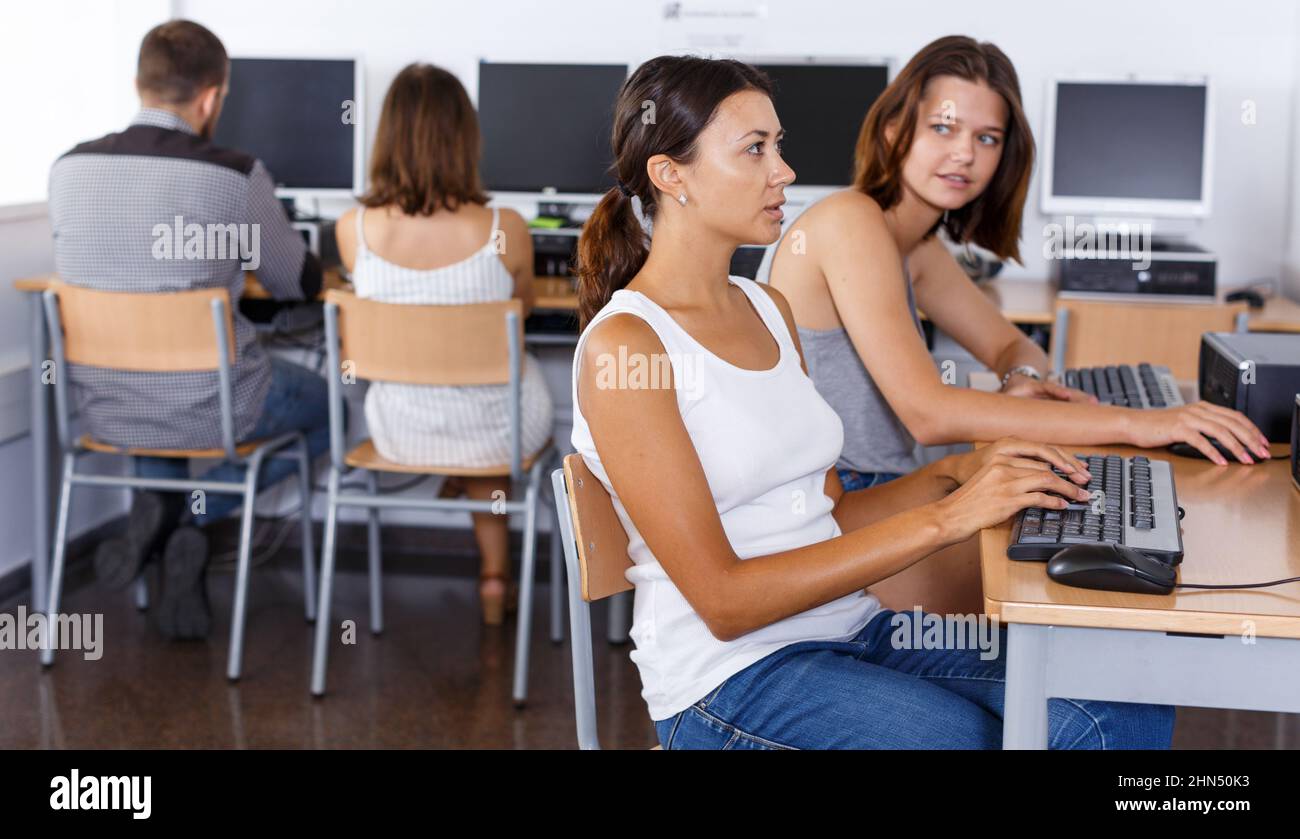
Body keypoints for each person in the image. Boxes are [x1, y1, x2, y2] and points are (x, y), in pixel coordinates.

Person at [570, 54, 1174, 748]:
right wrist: (947, 516)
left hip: (845, 625)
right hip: (729, 678)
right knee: (971, 738)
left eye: (780, 145)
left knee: (1117, 692)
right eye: (755, 149)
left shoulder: (766, 308)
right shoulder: (628, 346)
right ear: (670, 175)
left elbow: (836, 513)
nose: (785, 172)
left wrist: (957, 474)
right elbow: (725, 601)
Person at [767, 35, 1268, 494]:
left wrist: (1020, 376)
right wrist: (1142, 422)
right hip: (844, 499)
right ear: (895, 129)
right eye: (943, 127)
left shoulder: (916, 246)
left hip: (893, 480)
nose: (964, 153)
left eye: (987, 138)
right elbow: (928, 414)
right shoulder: (850, 222)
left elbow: (1011, 344)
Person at [47, 20, 330, 639]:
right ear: (210, 98)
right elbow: (295, 283)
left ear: (138, 85)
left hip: (106, 407)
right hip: (206, 405)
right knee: (329, 408)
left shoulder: (67, 168)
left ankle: (158, 513)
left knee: (159, 381)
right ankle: (190, 521)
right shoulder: (234, 174)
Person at [334, 64, 554, 625]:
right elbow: (521, 310)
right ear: (466, 139)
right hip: (495, 431)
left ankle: (461, 480)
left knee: (456, 396)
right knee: (491, 397)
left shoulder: (351, 229)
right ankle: (494, 578)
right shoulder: (507, 226)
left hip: (399, 430)